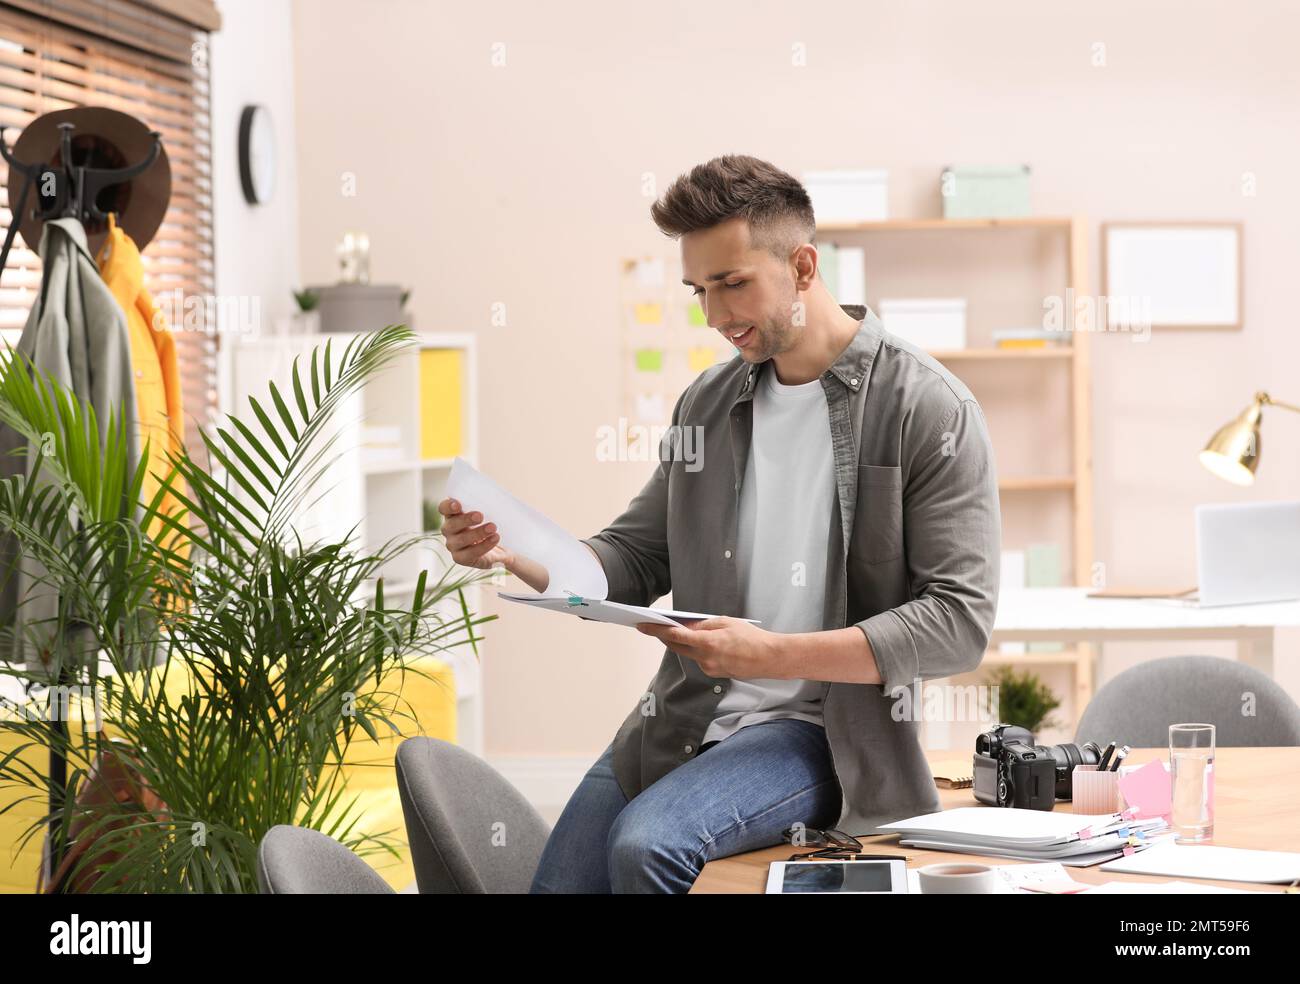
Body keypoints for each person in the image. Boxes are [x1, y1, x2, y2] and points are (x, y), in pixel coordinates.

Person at [439, 154, 1000, 893]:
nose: (715, 315)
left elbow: (958, 622)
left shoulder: (925, 407)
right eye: (699, 290)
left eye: (733, 283)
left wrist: (776, 655)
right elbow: (637, 555)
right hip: (678, 717)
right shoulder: (705, 405)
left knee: (645, 848)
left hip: (820, 735)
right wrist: (521, 554)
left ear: (803, 266)